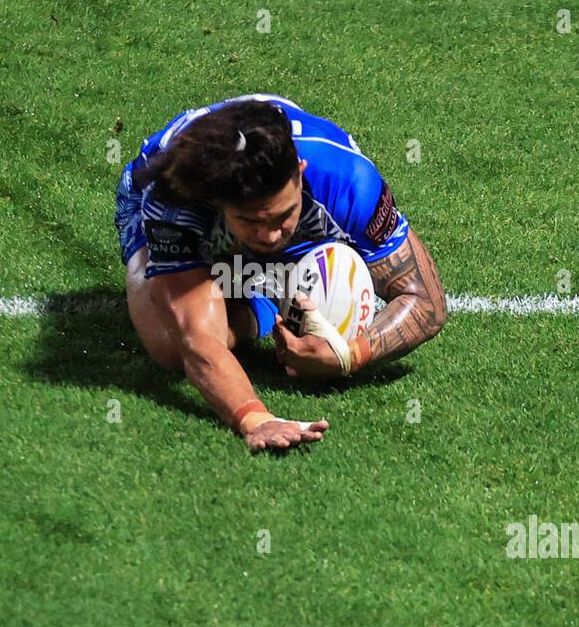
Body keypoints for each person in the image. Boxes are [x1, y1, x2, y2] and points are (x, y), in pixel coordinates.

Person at [114, 94, 447, 452]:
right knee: (168, 345)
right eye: (251, 220)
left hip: (304, 215)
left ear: (299, 173)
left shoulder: (347, 181)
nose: (271, 234)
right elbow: (198, 341)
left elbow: (426, 301)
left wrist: (349, 356)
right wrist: (256, 419)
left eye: (282, 215)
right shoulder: (174, 199)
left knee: (314, 267)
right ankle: (265, 303)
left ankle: (261, 290)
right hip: (156, 195)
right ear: (216, 201)